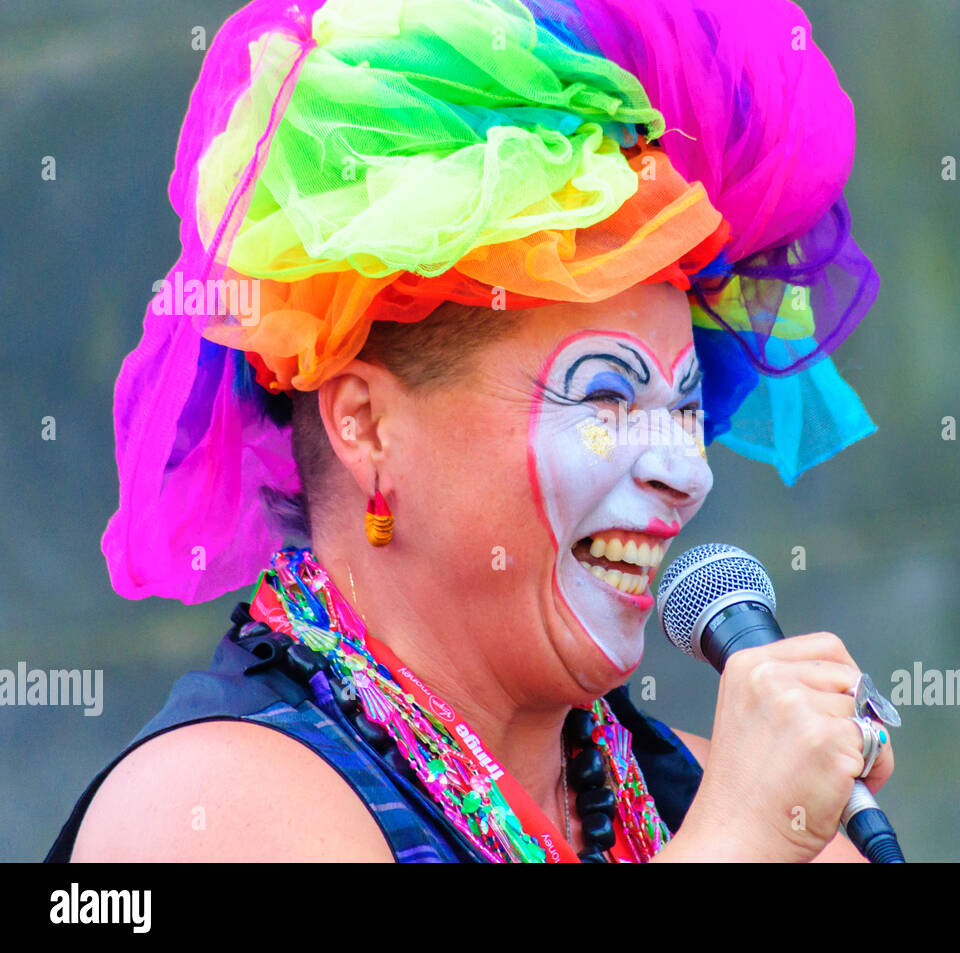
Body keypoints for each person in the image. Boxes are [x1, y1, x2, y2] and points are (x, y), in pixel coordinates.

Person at [47, 0, 890, 863]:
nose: (688, 471)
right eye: (604, 399)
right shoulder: (204, 808)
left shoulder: (716, 804)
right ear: (366, 425)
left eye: (684, 407)